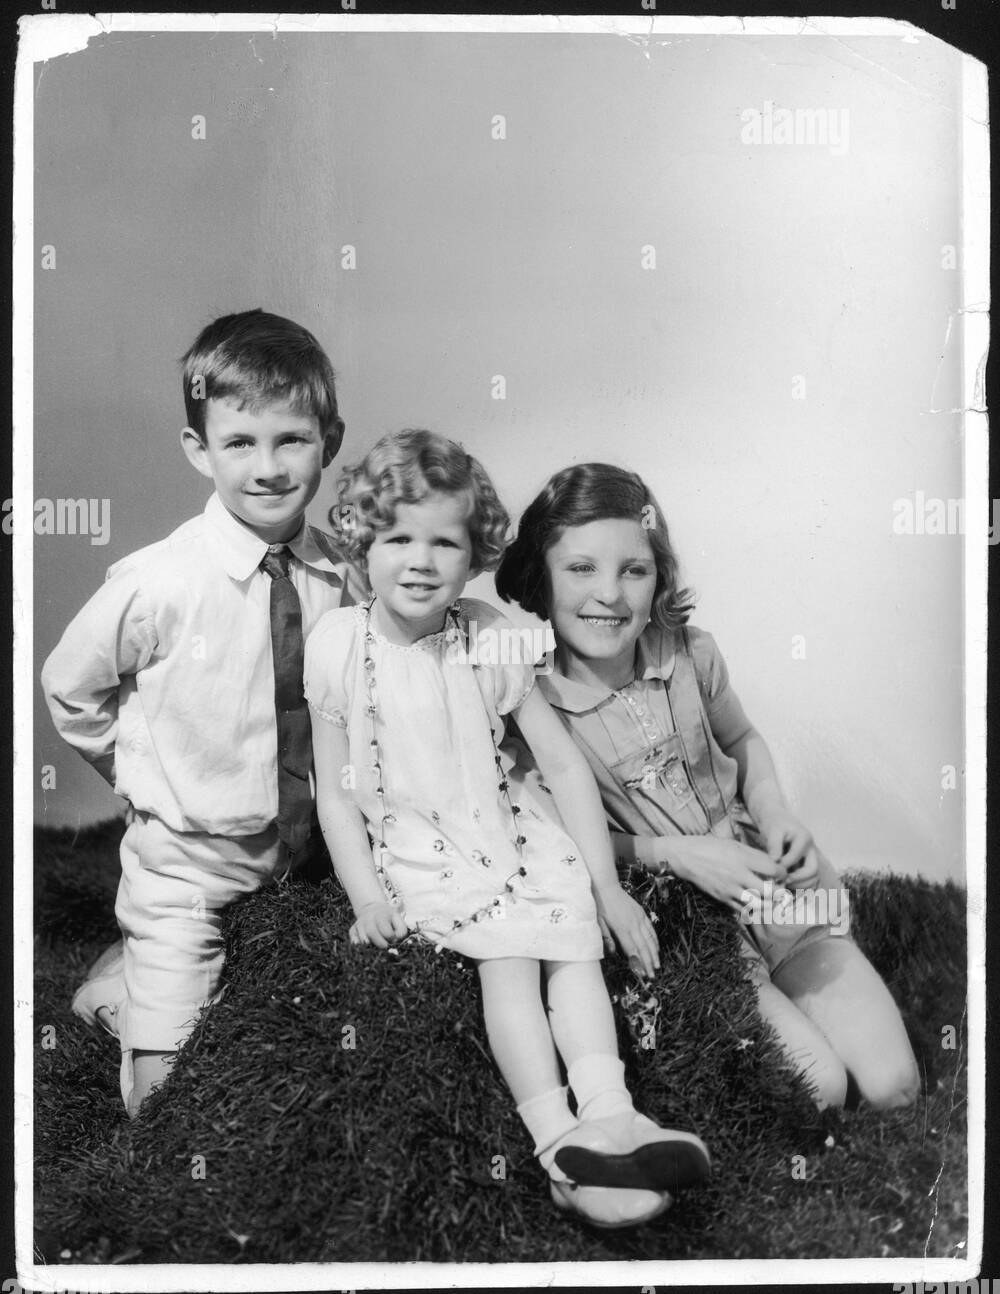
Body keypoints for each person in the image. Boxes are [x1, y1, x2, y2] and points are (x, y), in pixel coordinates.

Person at [304, 430, 711, 1229]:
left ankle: (613, 1112)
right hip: (425, 850)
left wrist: (606, 890)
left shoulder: (489, 635)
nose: (420, 561)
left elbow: (560, 767)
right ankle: (556, 1135)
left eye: (444, 542)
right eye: (397, 539)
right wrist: (363, 895)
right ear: (362, 543)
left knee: (573, 945)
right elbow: (335, 797)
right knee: (512, 962)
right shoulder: (338, 648)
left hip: (507, 823)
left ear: (474, 554)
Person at [496, 463, 920, 1111]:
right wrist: (682, 854)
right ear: (540, 575)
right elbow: (563, 840)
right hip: (688, 926)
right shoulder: (532, 704)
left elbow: (745, 741)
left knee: (895, 1085)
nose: (609, 594)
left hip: (770, 885)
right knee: (822, 1090)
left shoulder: (691, 654)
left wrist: (776, 810)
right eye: (581, 568)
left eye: (633, 570)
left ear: (658, 574)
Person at [41, 308, 362, 1117]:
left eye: (291, 439)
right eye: (239, 442)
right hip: (186, 866)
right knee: (165, 1103)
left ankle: (137, 972)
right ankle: (118, 1000)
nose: (267, 467)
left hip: (305, 856)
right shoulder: (162, 583)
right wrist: (141, 773)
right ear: (199, 450)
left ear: (329, 438)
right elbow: (69, 688)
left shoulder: (341, 575)